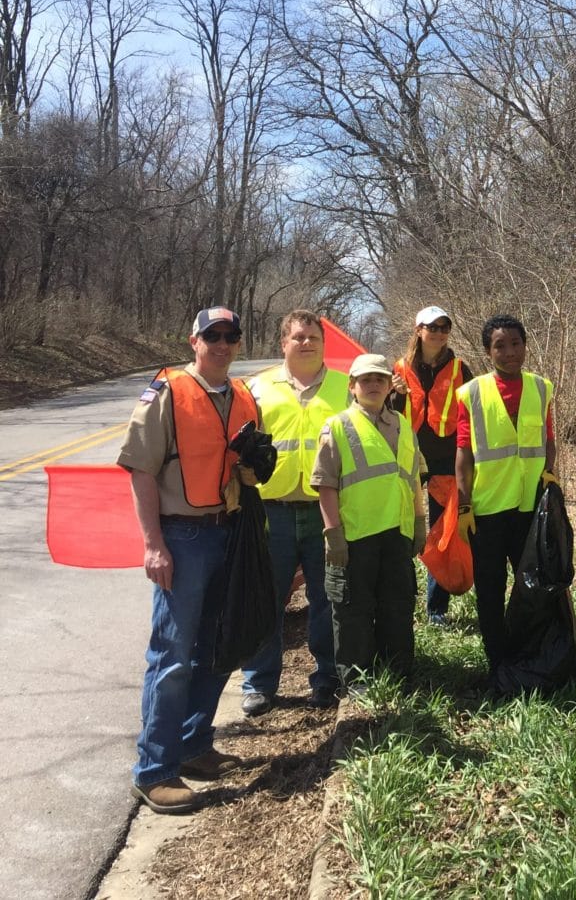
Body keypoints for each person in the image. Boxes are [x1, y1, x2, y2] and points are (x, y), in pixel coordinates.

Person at [118, 306, 259, 815]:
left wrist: (260, 464)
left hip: (230, 532)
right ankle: (153, 772)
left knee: (216, 649)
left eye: (231, 336)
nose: (222, 344)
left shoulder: (244, 395)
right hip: (183, 536)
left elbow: (248, 470)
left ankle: (195, 744)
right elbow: (138, 469)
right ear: (194, 340)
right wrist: (153, 542)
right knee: (173, 657)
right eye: (213, 335)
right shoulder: (167, 392)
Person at [238, 310, 347, 717]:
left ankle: (326, 679)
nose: (306, 342)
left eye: (313, 336)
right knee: (267, 599)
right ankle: (258, 684)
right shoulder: (258, 388)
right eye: (297, 336)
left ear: (323, 342)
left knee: (326, 598)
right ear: (283, 343)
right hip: (272, 511)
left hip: (326, 511)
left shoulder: (344, 388)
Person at [313, 353, 426, 692]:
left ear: (390, 384)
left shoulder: (403, 426)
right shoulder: (338, 427)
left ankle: (398, 672)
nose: (373, 385)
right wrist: (333, 534)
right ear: (352, 386)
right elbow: (326, 484)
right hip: (356, 535)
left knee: (398, 605)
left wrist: (420, 523)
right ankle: (358, 681)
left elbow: (412, 479)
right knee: (352, 611)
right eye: (366, 380)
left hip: (397, 533)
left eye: (380, 378)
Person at [454, 315, 558, 679]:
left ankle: (531, 655)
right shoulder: (472, 393)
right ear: (487, 351)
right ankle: (497, 663)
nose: (510, 352)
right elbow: (464, 452)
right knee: (490, 589)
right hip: (487, 509)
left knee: (532, 586)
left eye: (515, 343)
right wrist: (463, 502)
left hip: (531, 508)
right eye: (500, 345)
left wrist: (551, 476)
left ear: (525, 345)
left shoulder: (542, 388)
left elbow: (548, 440)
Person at [390, 305, 470, 627]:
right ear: (418, 330)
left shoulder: (460, 368)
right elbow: (386, 415)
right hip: (407, 459)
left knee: (442, 533)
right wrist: (394, 394)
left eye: (443, 326)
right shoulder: (398, 369)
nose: (438, 332)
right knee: (402, 528)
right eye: (431, 326)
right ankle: (399, 601)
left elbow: (472, 412)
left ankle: (436, 609)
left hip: (446, 461)